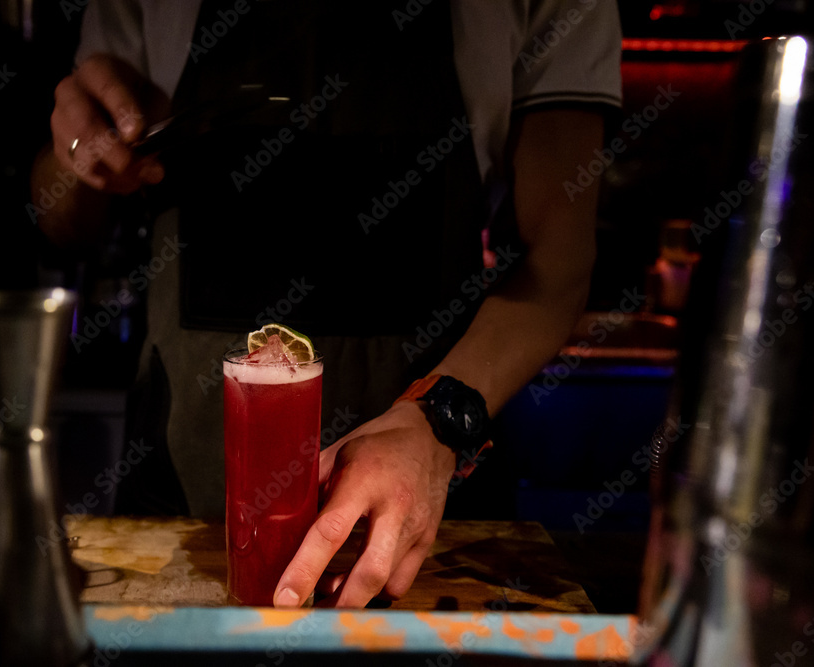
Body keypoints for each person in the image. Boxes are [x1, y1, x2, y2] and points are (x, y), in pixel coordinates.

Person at [32, 0, 622, 609]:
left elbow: (561, 261)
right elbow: (62, 222)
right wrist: (81, 154)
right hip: (180, 501)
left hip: (427, 525)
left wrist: (440, 419)